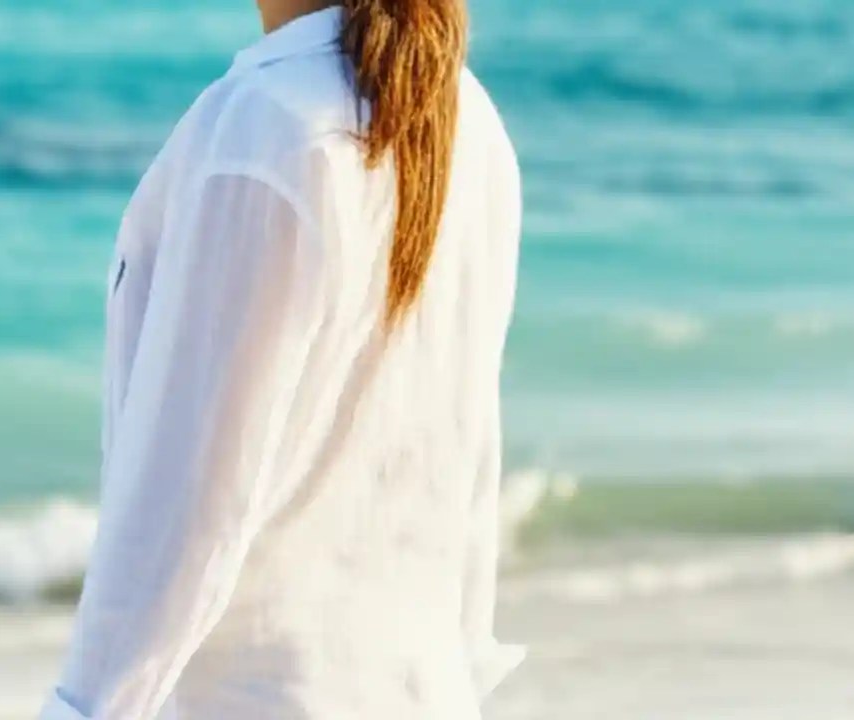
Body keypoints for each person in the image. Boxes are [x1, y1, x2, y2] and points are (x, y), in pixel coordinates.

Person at [39, 0, 523, 717]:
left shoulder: (265, 128)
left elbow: (192, 502)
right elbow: (467, 457)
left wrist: (83, 707)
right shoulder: (467, 116)